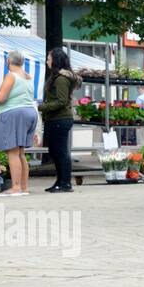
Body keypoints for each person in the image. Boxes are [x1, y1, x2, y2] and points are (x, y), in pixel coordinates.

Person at [0, 50, 38, 196]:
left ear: (8, 61)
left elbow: (1, 98)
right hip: (30, 112)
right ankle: (24, 187)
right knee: (20, 153)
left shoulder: (11, 76)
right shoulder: (28, 77)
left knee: (12, 152)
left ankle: (15, 188)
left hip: (14, 114)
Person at [40, 47, 80, 192]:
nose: (47, 62)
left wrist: (41, 107)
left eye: (49, 59)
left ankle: (65, 183)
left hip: (60, 119)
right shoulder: (57, 77)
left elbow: (61, 101)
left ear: (55, 61)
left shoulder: (61, 79)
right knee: (55, 151)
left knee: (60, 151)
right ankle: (60, 181)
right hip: (54, 119)